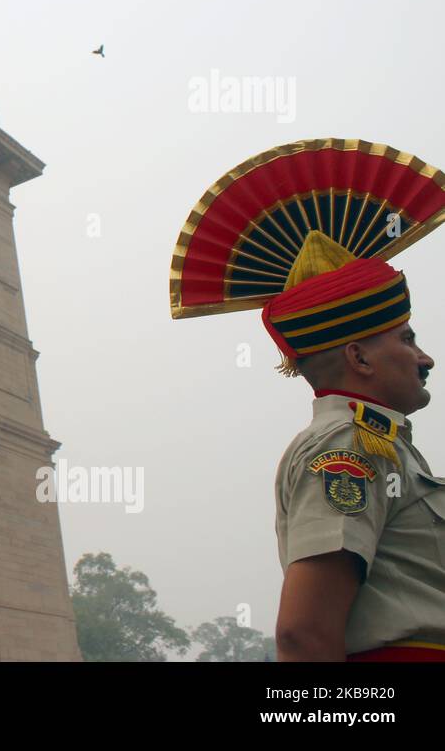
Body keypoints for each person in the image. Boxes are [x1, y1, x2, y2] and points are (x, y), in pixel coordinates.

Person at [170, 138, 445, 661]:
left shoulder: (384, 446)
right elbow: (303, 633)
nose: (425, 358)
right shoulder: (348, 446)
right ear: (359, 359)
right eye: (407, 340)